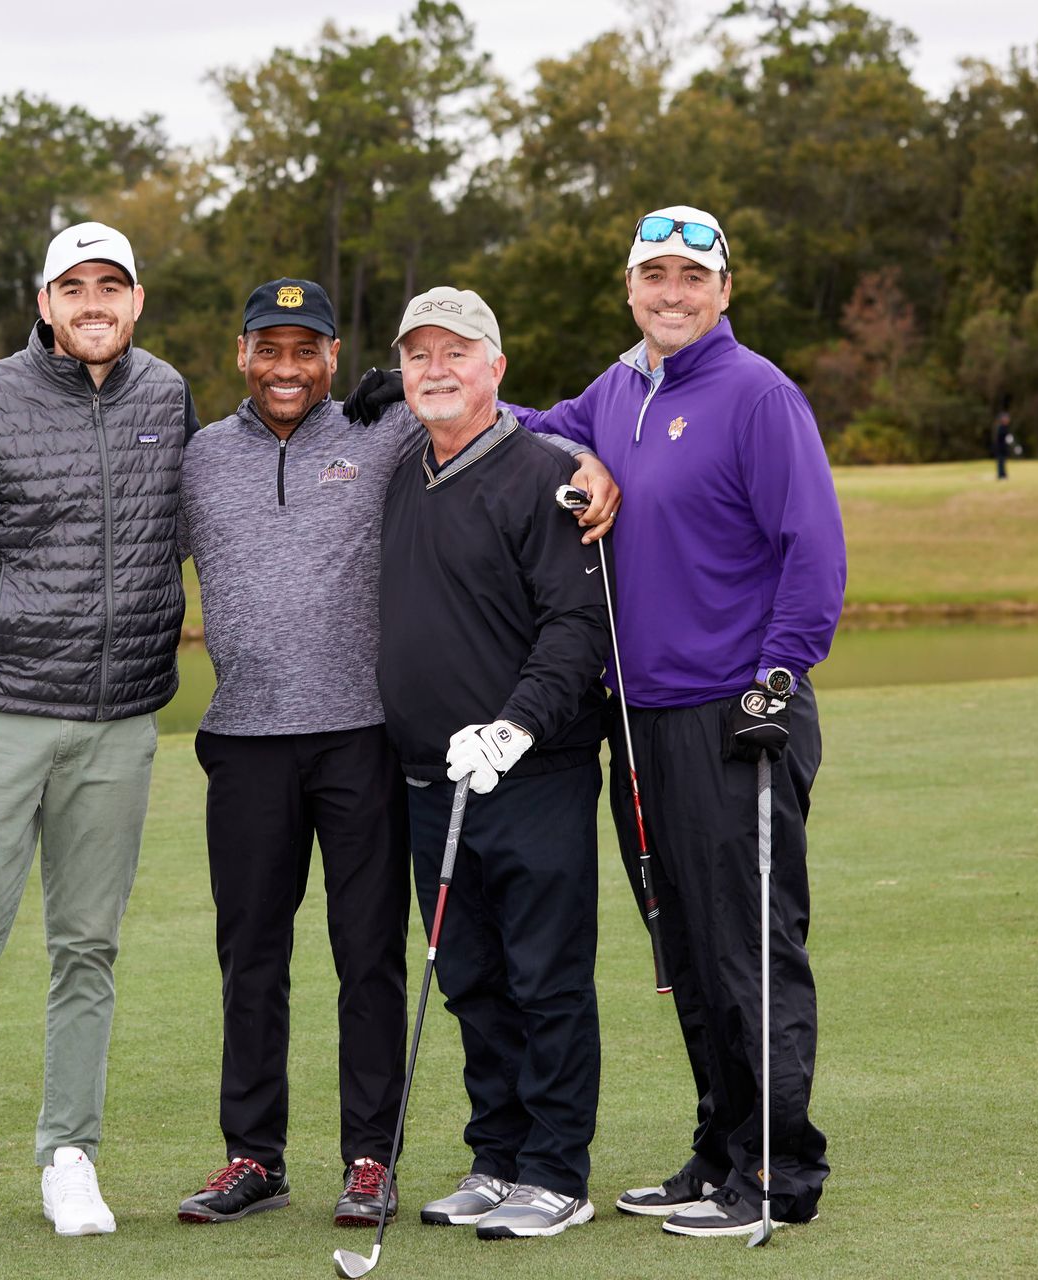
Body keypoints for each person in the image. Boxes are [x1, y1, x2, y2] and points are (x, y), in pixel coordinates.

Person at [174, 279, 615, 1230]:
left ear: (335, 360)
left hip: (375, 744)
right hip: (264, 742)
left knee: (385, 957)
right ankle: (259, 1155)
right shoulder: (206, 455)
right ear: (241, 353)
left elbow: (514, 437)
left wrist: (586, 454)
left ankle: (381, 1159)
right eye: (268, 348)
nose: (286, 367)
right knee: (273, 958)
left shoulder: (391, 438)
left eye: (308, 350)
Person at [506, 205, 846, 1237]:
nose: (672, 293)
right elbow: (527, 427)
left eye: (692, 277)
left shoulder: (757, 394)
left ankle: (779, 1170)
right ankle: (720, 1146)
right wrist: (433, 396)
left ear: (724, 291)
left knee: (749, 945)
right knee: (688, 949)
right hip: (642, 723)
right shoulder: (618, 392)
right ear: (629, 286)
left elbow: (814, 551)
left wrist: (773, 683)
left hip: (736, 713)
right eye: (655, 274)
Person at [0, 221, 197, 1244]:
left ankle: (70, 1153)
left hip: (119, 721)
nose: (95, 302)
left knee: (87, 946)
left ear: (136, 300)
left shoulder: (168, 395)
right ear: (46, 300)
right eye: (76, 286)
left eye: (112, 285)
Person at [376, 286, 611, 1242]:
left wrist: (513, 727)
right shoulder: (402, 465)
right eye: (419, 354)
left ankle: (557, 1170)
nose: (437, 369)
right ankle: (499, 1157)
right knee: (471, 974)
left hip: (533, 774)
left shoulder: (546, 473)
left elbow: (576, 625)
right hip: (433, 782)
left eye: (457, 352)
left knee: (544, 975)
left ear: (497, 367)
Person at [990, 396, 1017, 480]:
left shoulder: (1004, 427)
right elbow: (1004, 437)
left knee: (1002, 461)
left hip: (1002, 448)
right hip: (999, 448)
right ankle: (1001, 475)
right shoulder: (1001, 427)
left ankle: (1003, 474)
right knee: (1000, 461)